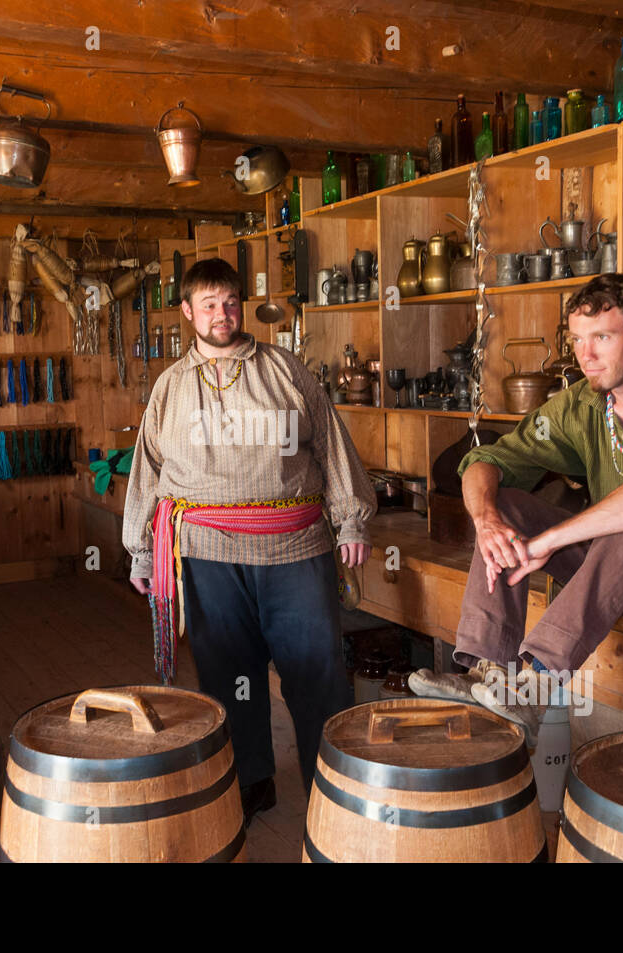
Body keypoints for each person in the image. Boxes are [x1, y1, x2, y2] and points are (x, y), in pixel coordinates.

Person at [414, 272, 623, 738]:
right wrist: (487, 520)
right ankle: (487, 672)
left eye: (602, 338)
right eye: (576, 340)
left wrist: (551, 540)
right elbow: (487, 460)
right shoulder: (583, 404)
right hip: (610, 565)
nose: (585, 356)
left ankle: (538, 683)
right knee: (508, 504)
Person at [123, 257, 376, 825]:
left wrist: (351, 520)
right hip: (208, 556)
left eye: (231, 301)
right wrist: (141, 549)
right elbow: (148, 471)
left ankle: (332, 786)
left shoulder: (287, 369)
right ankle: (252, 779)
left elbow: (333, 447)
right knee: (229, 677)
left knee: (316, 672)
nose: (223, 313)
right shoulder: (170, 388)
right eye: (209, 304)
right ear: (187, 311)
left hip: (295, 549)